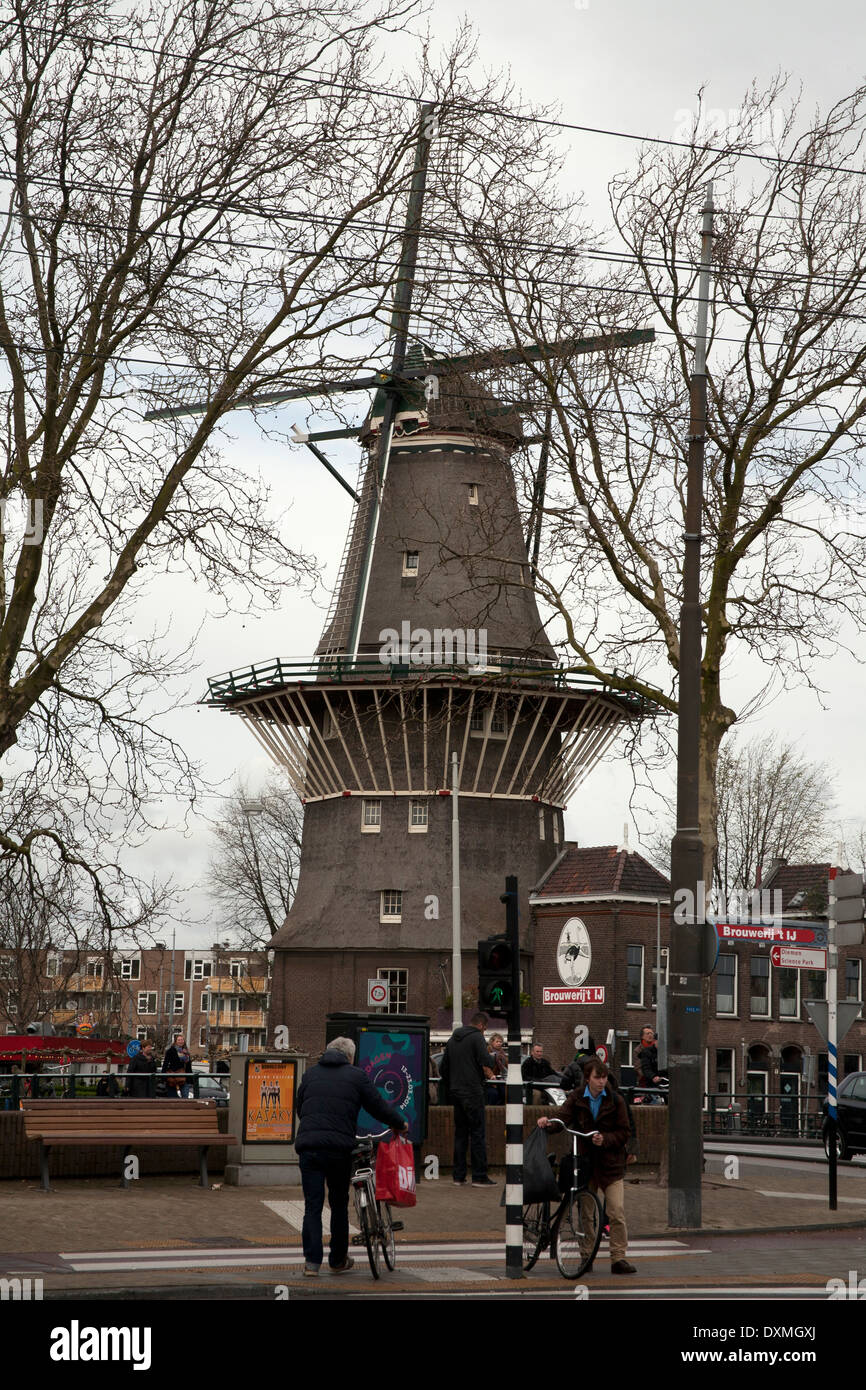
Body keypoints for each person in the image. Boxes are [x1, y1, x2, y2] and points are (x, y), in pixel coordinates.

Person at [295, 1036, 407, 1277]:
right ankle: (337, 1260)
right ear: (349, 1057)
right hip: (338, 1148)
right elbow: (377, 1105)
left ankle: (311, 1264)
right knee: (338, 1204)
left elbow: (300, 1106)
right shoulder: (356, 1076)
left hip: (309, 1147)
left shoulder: (310, 1074)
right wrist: (399, 1123)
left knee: (312, 1206)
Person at [538, 1059, 636, 1274]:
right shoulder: (576, 1098)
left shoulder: (615, 1100)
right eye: (597, 1078)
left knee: (616, 1211)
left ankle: (618, 1258)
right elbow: (563, 1117)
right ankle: (586, 1255)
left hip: (611, 1165)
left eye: (604, 1078)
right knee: (586, 1213)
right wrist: (549, 1123)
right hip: (586, 1163)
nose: (601, 1082)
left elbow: (624, 1132)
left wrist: (606, 1139)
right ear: (588, 1078)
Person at [440, 1012, 496, 1187]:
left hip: (456, 1092)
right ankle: (479, 1176)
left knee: (460, 1134)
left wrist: (454, 1084)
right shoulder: (477, 1038)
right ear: (481, 1025)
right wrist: (491, 1055)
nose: (485, 1032)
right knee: (478, 1133)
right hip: (472, 1092)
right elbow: (487, 1061)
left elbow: (443, 1069)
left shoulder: (452, 1040)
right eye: (485, 1028)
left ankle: (458, 1176)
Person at [635, 1026, 664, 1104]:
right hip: (645, 1082)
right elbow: (639, 1067)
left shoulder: (659, 1049)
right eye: (648, 1033)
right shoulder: (640, 1051)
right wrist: (650, 1075)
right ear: (642, 1037)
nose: (650, 1035)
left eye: (651, 1033)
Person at [485, 1033, 508, 1104]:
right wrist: (491, 1075)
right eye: (497, 1041)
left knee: (505, 1094)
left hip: (500, 1079)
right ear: (492, 1042)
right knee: (494, 1095)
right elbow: (485, 1066)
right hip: (489, 1080)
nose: (499, 1043)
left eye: (500, 1042)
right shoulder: (487, 1052)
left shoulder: (502, 1053)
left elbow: (506, 1066)